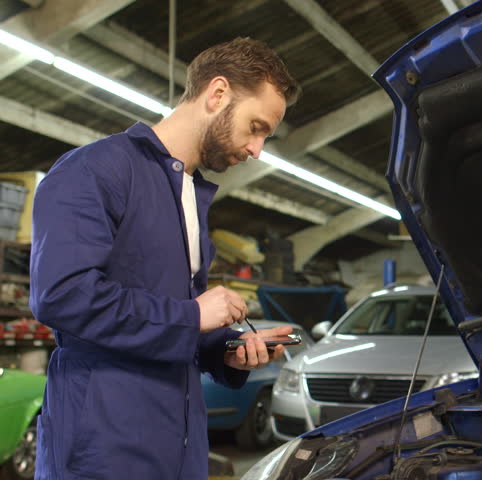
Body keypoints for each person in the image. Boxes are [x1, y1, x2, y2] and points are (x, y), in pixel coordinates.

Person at [28, 37, 301, 480]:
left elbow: (173, 320)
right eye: (256, 127)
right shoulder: (94, 170)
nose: (257, 150)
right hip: (104, 448)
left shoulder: (190, 193)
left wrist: (224, 351)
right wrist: (194, 315)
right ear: (217, 94)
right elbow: (62, 295)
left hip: (179, 443)